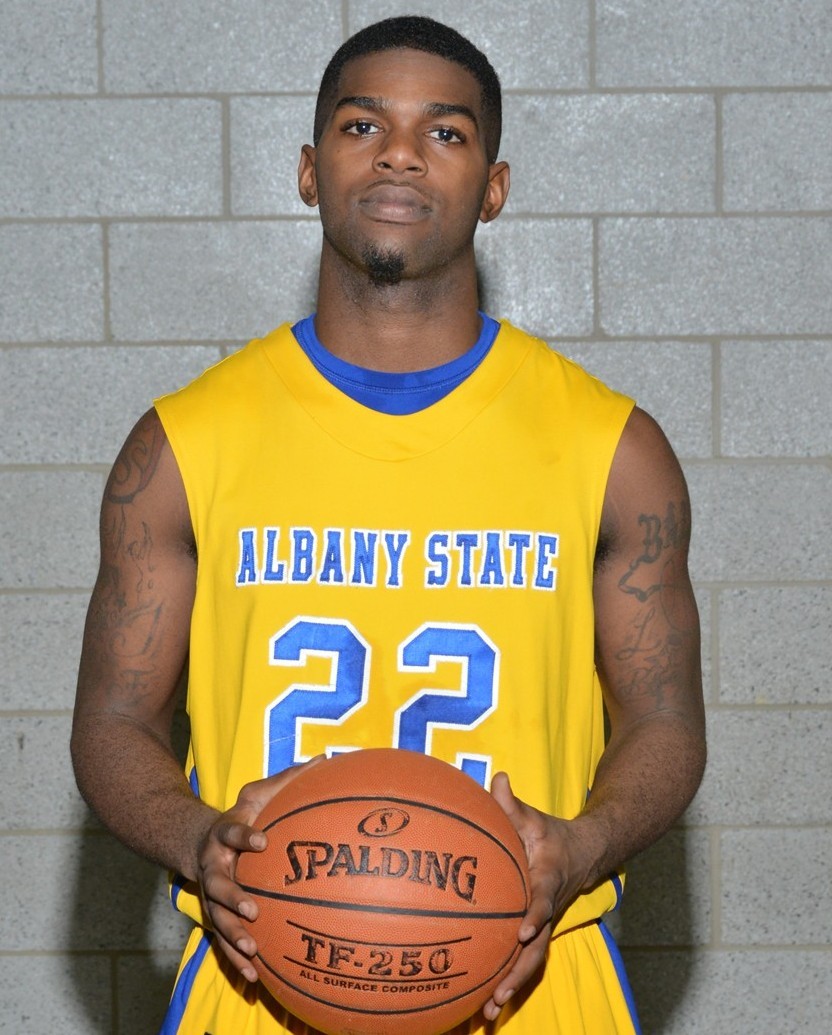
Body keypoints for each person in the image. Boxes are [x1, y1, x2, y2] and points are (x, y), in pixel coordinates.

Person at [71, 15, 706, 1035]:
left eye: (445, 133)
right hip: (258, 979)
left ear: (494, 188)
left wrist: (578, 850)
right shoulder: (181, 447)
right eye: (362, 125)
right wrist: (198, 841)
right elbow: (111, 724)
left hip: (539, 981)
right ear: (309, 169)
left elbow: (666, 723)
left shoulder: (613, 449)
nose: (401, 151)